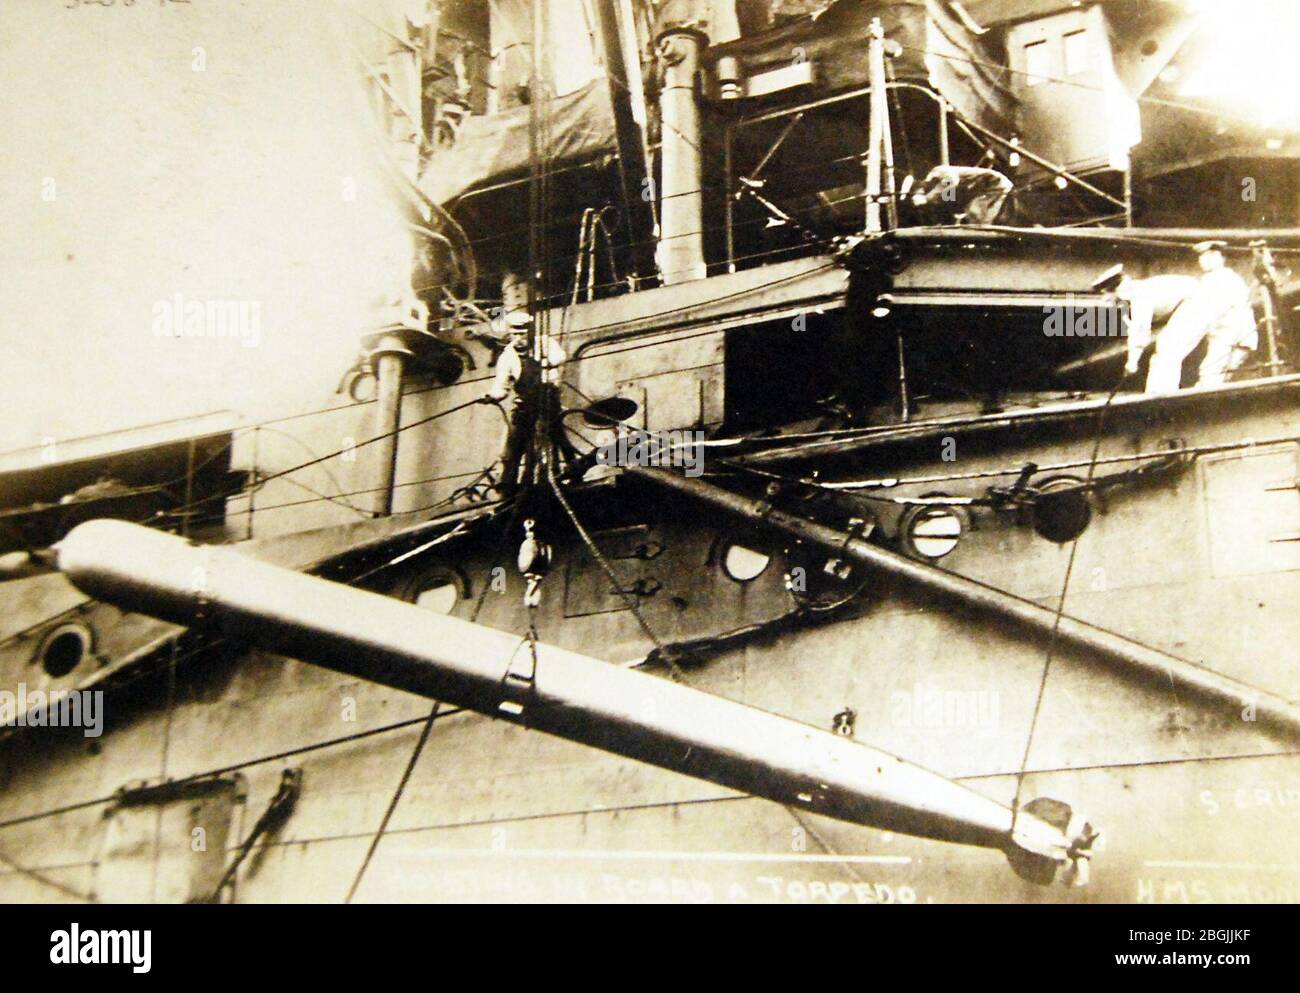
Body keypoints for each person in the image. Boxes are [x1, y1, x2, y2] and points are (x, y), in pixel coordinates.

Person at [1145, 241, 1256, 392]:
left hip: (1231, 333)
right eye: (1202, 256)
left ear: (1221, 258)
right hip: (1222, 333)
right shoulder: (1210, 280)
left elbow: (1236, 313)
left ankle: (1162, 393)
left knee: (1209, 370)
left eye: (1211, 255)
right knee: (1210, 372)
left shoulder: (1226, 280)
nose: (1205, 260)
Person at [485, 310, 567, 497]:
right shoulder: (507, 356)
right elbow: (501, 387)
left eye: (523, 333)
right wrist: (491, 396)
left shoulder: (545, 343)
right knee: (512, 448)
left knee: (550, 445)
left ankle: (550, 478)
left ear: (530, 331)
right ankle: (507, 489)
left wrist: (543, 359)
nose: (519, 338)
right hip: (525, 406)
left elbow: (559, 357)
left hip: (548, 403)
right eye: (515, 333)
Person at [1091, 265, 1198, 384]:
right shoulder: (1132, 293)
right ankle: (1159, 393)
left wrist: (1132, 363)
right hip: (1194, 298)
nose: (1104, 299)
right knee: (1166, 348)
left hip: (1197, 299)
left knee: (1167, 348)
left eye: (1106, 294)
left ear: (1117, 290)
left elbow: (1140, 332)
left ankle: (1161, 396)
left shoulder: (1139, 296)